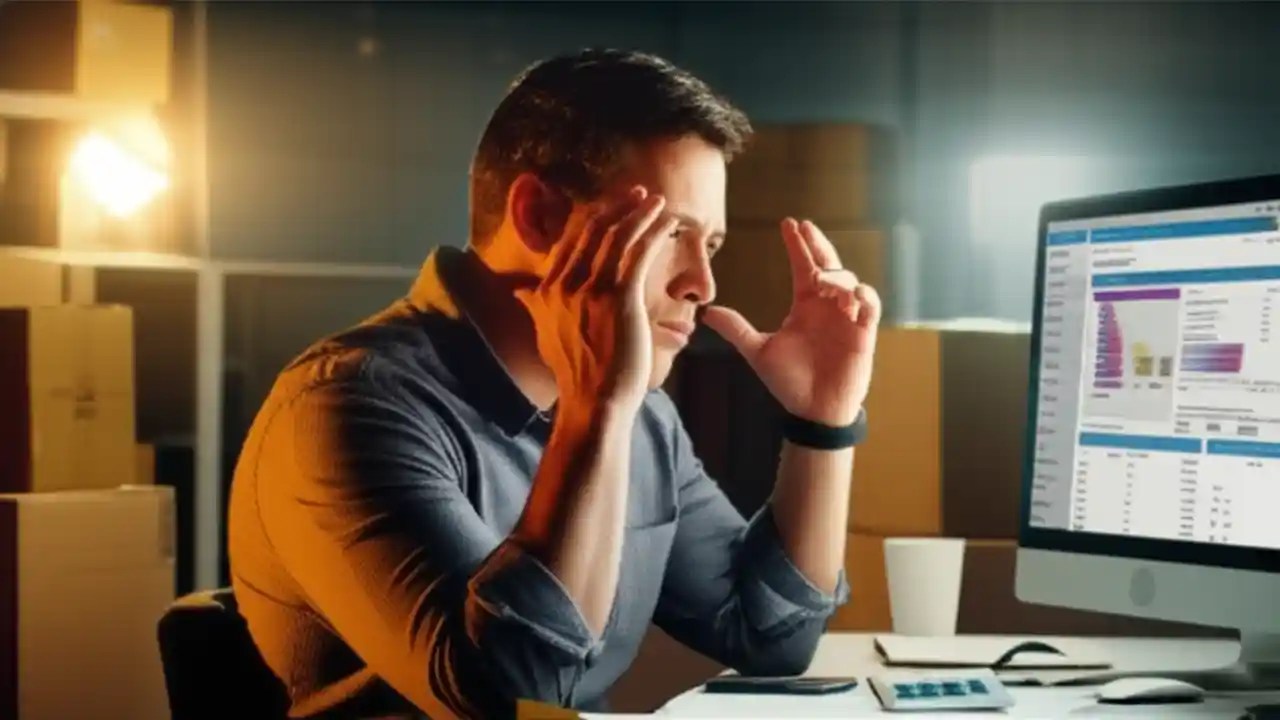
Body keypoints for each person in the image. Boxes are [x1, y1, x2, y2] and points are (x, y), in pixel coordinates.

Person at [227, 48, 881, 719]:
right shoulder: (345, 406)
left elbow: (772, 638)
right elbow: (512, 697)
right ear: (539, 216)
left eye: (708, 245)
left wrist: (822, 425)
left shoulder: (641, 416)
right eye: (670, 233)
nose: (701, 284)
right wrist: (597, 410)